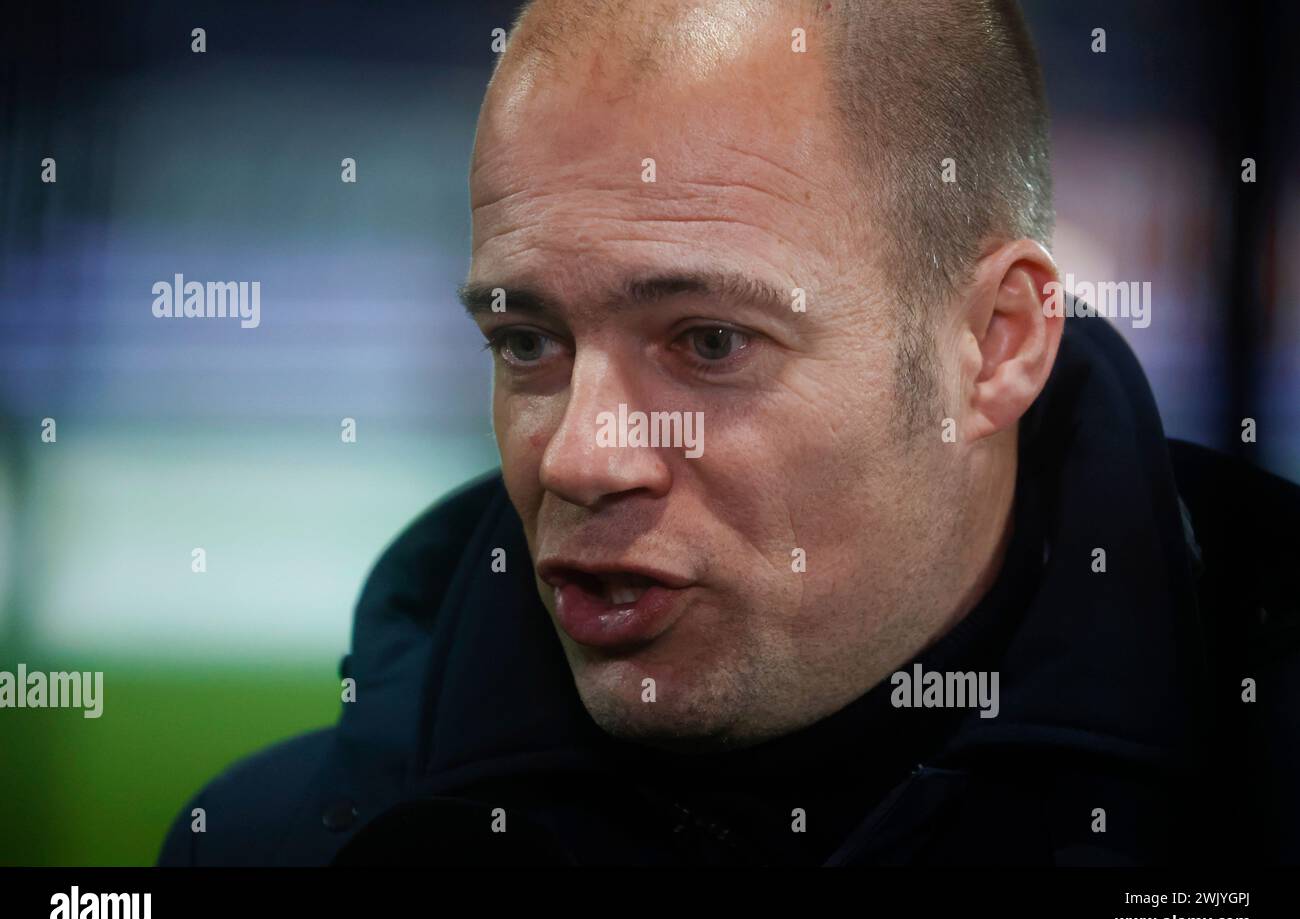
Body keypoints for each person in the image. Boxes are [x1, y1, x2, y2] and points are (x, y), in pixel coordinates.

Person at [160, 0, 1300, 866]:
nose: (579, 457)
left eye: (709, 342)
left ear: (995, 345)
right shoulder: (271, 845)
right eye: (525, 342)